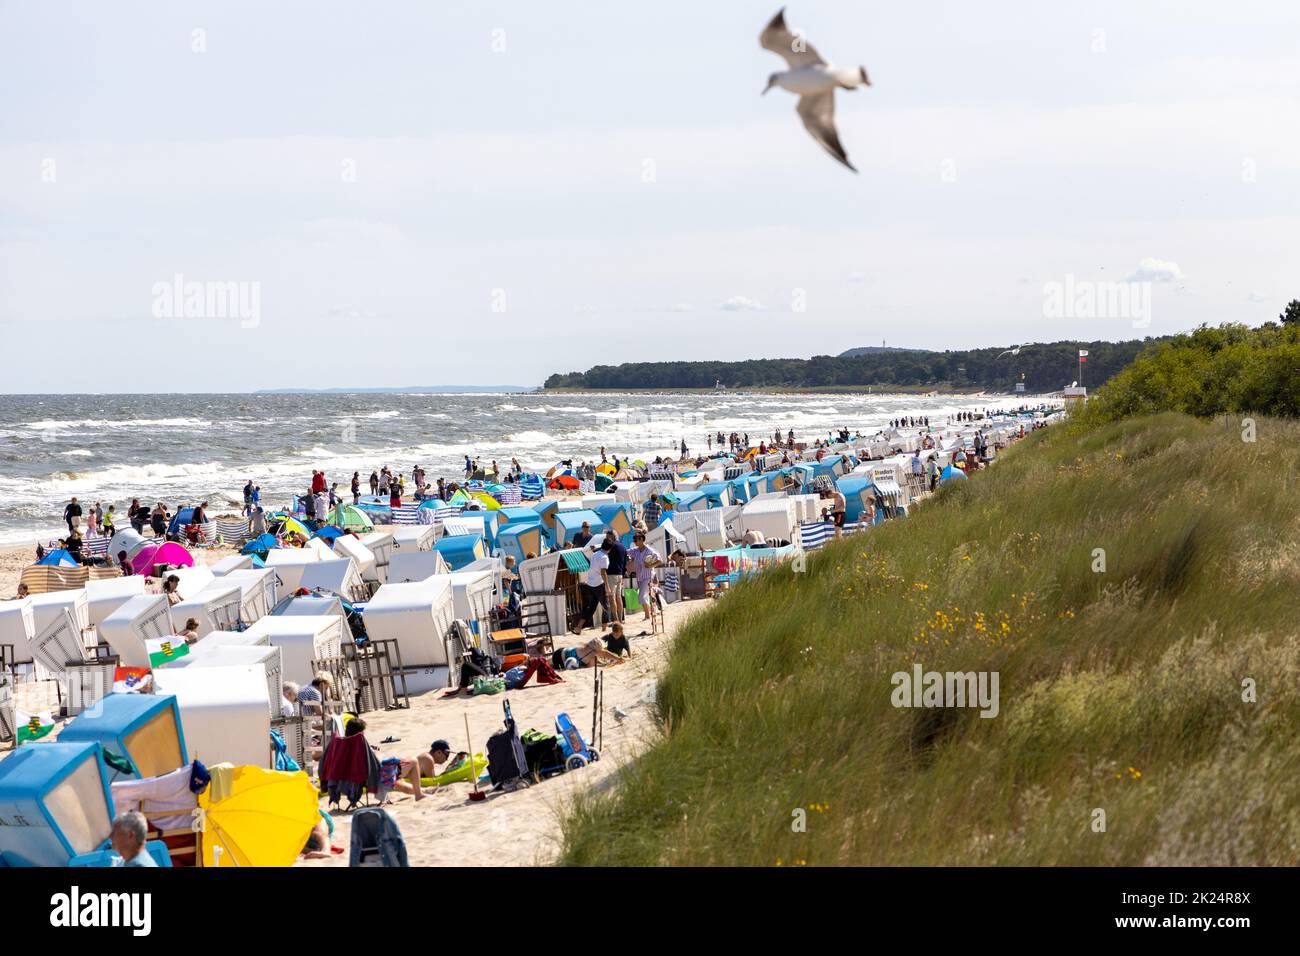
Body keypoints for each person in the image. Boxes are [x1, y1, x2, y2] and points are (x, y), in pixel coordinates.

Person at [577, 538, 612, 633]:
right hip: (599, 584)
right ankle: (604, 629)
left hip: (591, 583)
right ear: (610, 549)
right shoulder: (604, 557)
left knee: (591, 607)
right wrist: (607, 587)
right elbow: (603, 572)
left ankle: (579, 627)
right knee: (606, 606)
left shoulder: (595, 554)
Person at [627, 531, 661, 623]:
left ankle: (647, 615)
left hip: (648, 576)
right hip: (640, 576)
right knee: (644, 596)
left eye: (636, 540)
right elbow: (626, 552)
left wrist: (650, 566)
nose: (634, 542)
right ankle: (651, 613)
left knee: (642, 596)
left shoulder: (650, 550)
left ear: (641, 539)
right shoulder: (636, 550)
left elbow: (659, 560)